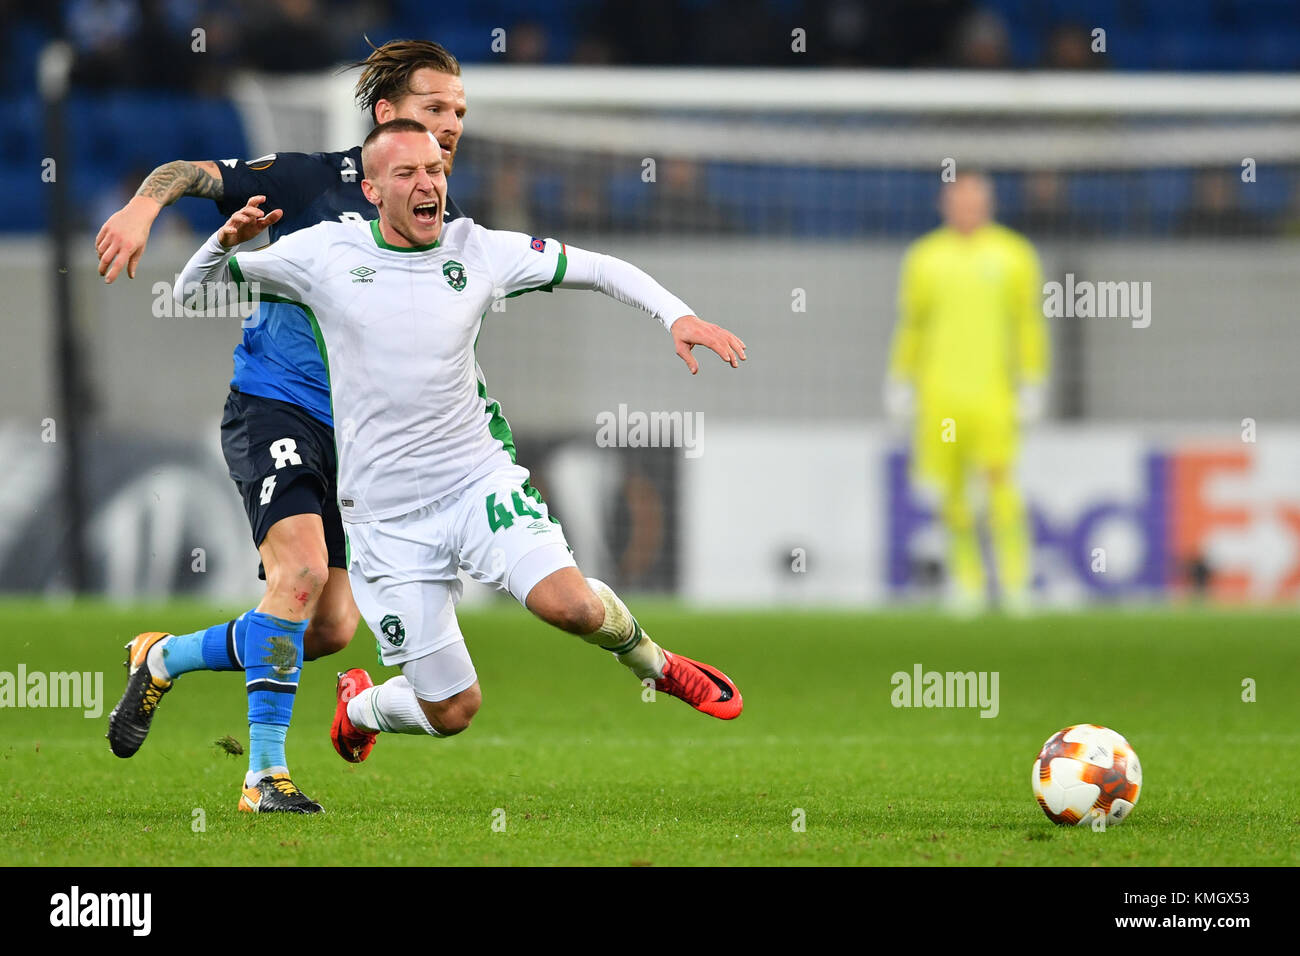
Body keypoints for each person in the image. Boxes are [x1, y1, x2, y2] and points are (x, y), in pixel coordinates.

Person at [175, 119, 747, 770]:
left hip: (477, 483)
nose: (428, 184)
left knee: (573, 607)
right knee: (453, 711)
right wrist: (222, 243)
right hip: (386, 519)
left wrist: (678, 315)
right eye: (408, 174)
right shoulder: (326, 255)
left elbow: (598, 267)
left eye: (436, 171)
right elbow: (192, 292)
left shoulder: (478, 250)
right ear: (372, 190)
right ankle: (361, 709)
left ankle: (655, 664)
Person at [101, 40, 470, 813]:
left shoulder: (439, 217)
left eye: (459, 113)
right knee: (298, 577)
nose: (452, 125)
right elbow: (195, 175)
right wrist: (144, 204)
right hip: (276, 407)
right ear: (386, 114)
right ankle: (263, 776)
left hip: (359, 439)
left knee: (330, 627)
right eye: (435, 109)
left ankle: (163, 656)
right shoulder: (311, 178)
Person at [885, 171, 1048, 613]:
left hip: (994, 395)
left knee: (1001, 488)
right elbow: (912, 324)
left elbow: (1028, 323)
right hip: (940, 396)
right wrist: (900, 378)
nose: (968, 208)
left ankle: (1017, 584)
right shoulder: (925, 258)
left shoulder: (1014, 255)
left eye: (976, 200)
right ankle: (968, 583)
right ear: (945, 204)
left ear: (989, 204)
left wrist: (1032, 379)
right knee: (951, 495)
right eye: (960, 200)